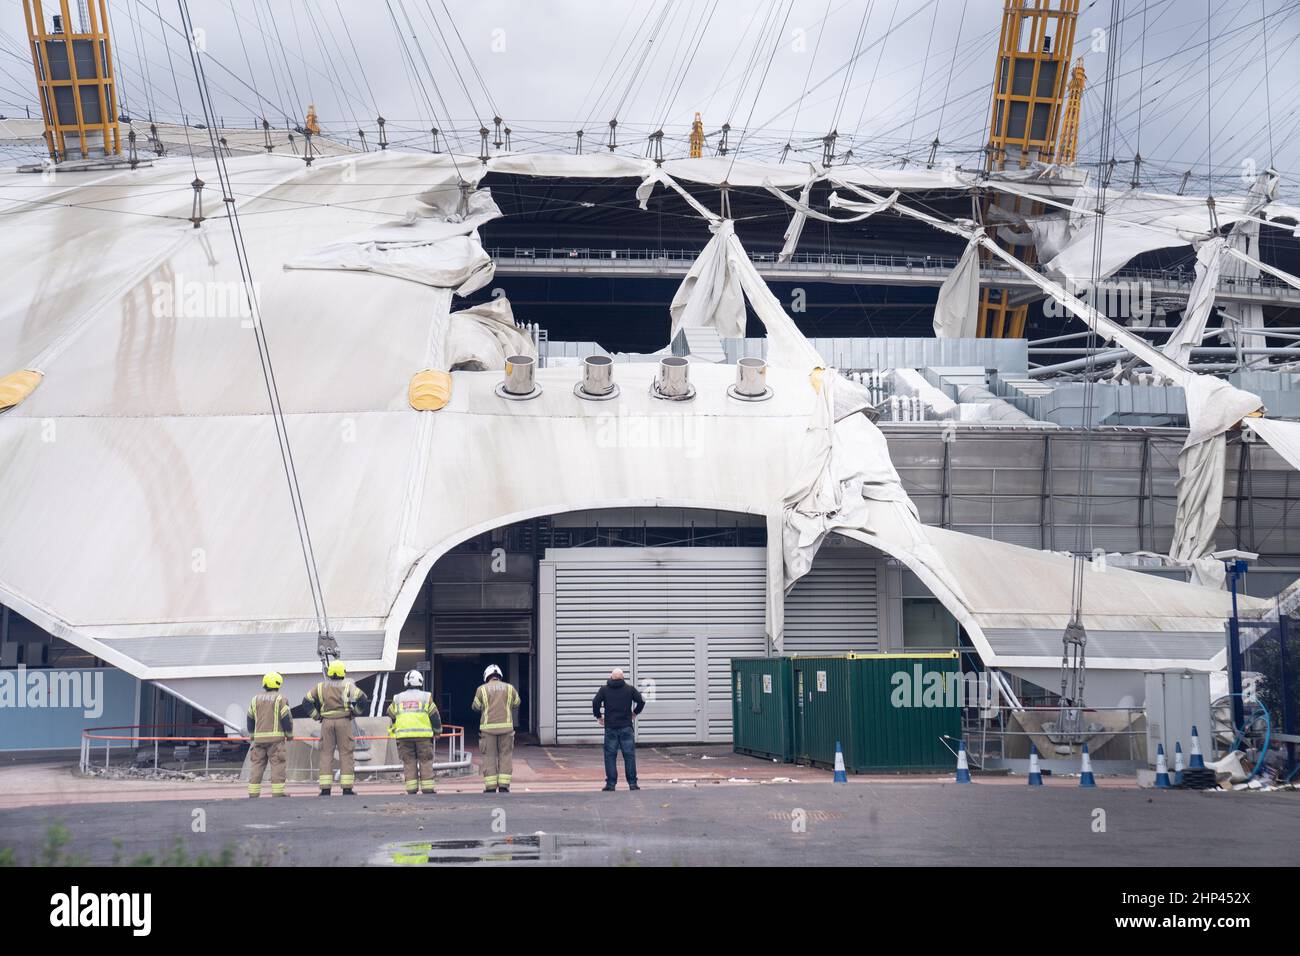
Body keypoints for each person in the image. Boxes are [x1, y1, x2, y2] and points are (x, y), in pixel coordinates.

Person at [304, 660, 368, 796]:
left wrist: (317, 716)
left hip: (326, 723)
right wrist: (354, 713)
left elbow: (306, 701)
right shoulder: (348, 686)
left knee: (326, 754)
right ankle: (347, 788)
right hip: (344, 722)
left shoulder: (320, 687)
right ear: (343, 672)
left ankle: (325, 789)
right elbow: (363, 699)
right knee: (346, 753)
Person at [386, 670, 443, 795]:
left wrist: (400, 720)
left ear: (406, 682)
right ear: (420, 682)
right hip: (423, 737)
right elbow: (435, 716)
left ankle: (411, 789)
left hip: (404, 737)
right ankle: (428, 788)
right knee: (425, 760)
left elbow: (389, 712)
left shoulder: (398, 698)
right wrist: (437, 731)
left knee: (408, 761)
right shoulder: (426, 697)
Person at [592, 667, 645, 792]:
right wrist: (635, 713)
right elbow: (641, 702)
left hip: (610, 727)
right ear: (623, 677)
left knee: (610, 756)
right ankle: (632, 784)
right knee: (629, 755)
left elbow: (595, 702)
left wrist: (599, 717)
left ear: (611, 677)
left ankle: (611, 784)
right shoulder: (629, 689)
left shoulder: (604, 690)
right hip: (626, 727)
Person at [472, 663, 520, 793]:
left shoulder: (481, 689)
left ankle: (491, 787)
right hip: (506, 728)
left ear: (486, 676)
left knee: (489, 757)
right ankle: (504, 786)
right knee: (506, 755)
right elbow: (517, 703)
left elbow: (475, 706)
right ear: (499, 676)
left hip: (488, 730)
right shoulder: (510, 688)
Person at [246, 671, 294, 798]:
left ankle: (253, 793)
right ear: (278, 683)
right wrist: (289, 734)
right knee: (278, 764)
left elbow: (250, 719)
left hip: (258, 740)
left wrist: (252, 735)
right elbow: (286, 718)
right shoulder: (280, 699)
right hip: (276, 740)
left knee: (257, 764)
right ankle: (278, 793)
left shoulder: (255, 699)